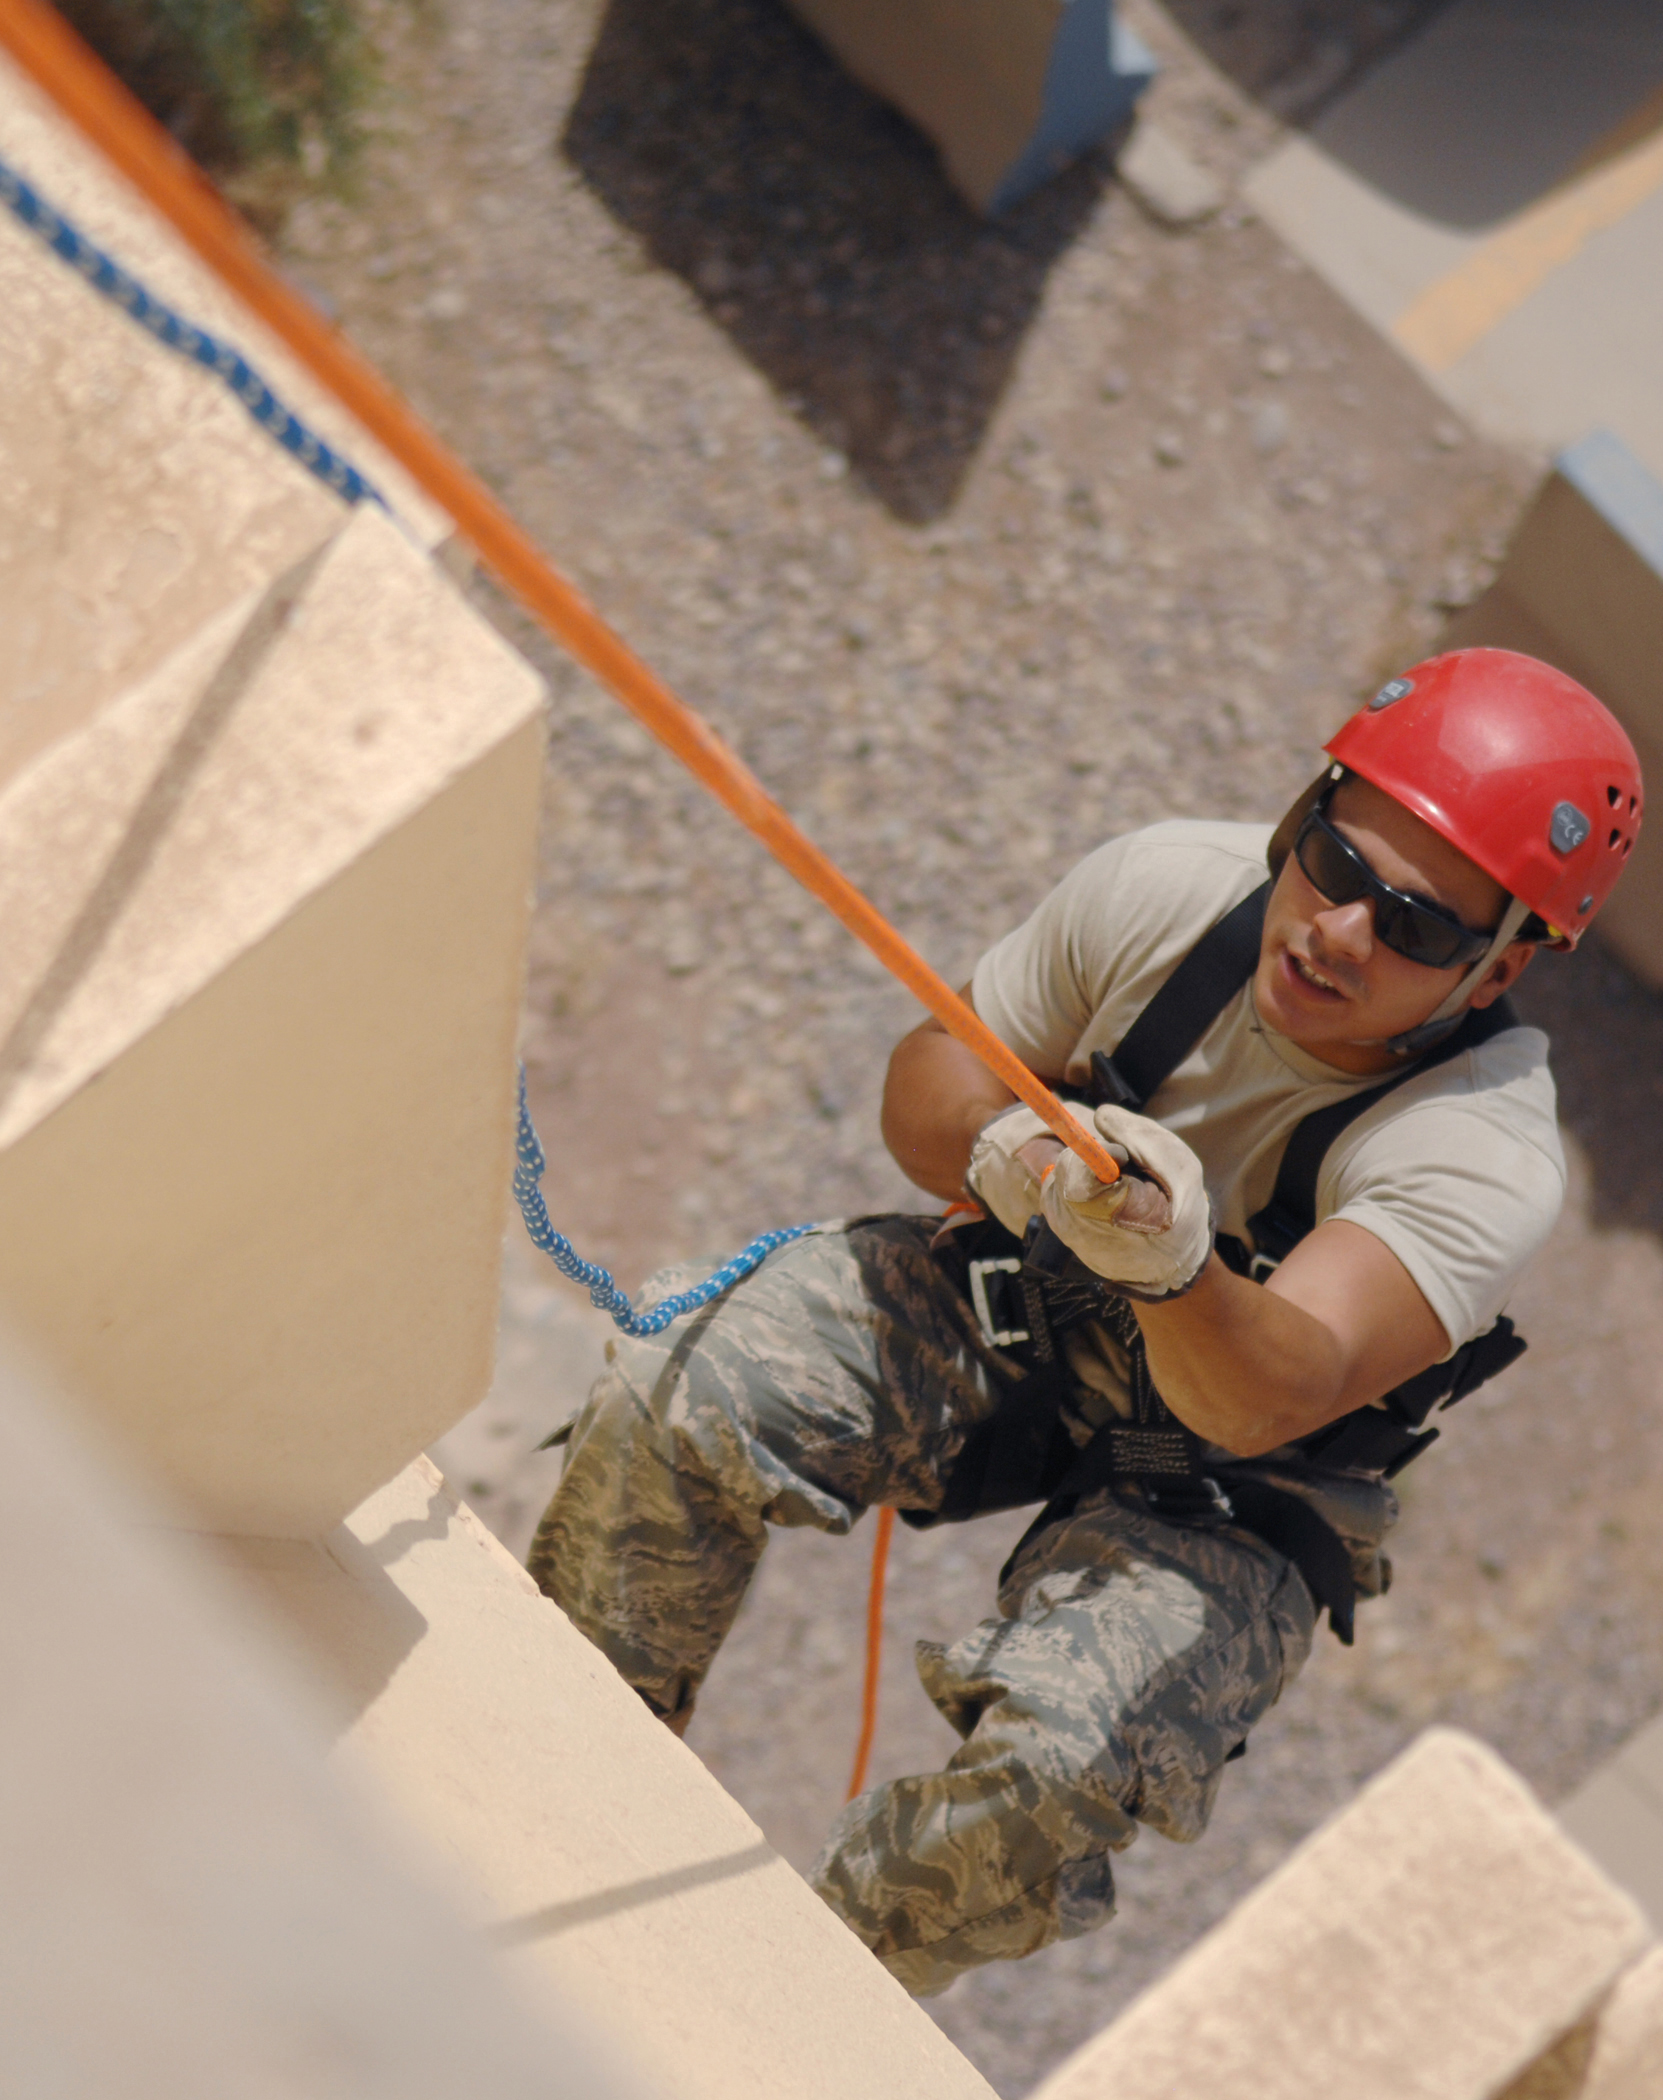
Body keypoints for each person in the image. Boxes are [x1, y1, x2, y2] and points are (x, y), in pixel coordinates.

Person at [528, 647, 1643, 1995]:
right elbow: (925, 1085)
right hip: (1022, 1313)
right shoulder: (1166, 892)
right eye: (1336, 866)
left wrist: (1177, 1271)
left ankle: (776, 2001)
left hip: (1229, 1482)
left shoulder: (1484, 1150)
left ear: (1505, 964)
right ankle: (547, 1772)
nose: (1338, 931)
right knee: (686, 1397)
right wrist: (1007, 1148)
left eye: (1415, 927)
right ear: (1304, 815)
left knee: (1058, 1778)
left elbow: (1274, 1388)